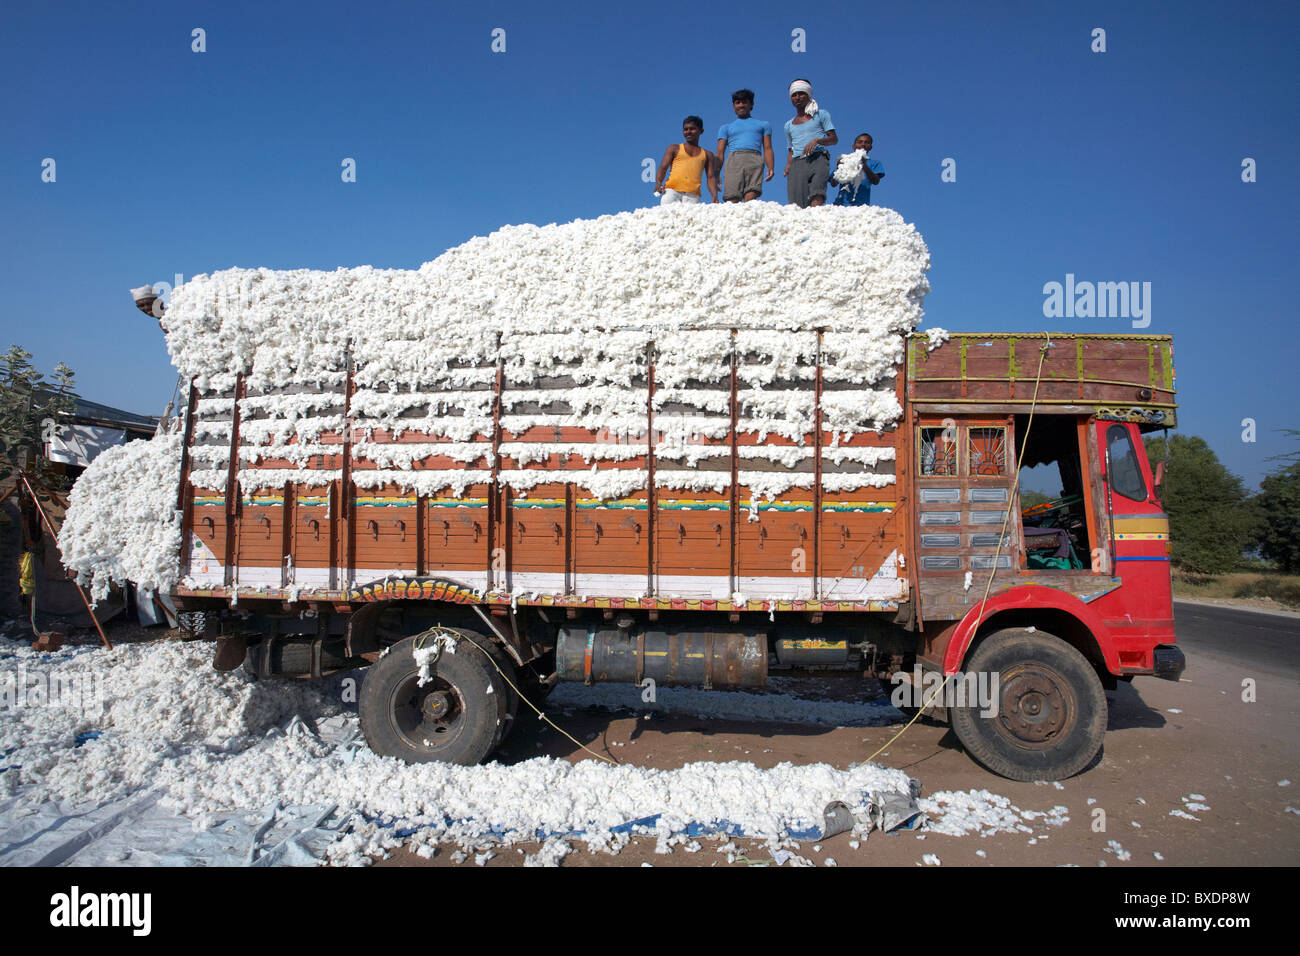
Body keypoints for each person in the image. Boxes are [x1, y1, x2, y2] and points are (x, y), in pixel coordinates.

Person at [782, 79, 837, 207]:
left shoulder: (821, 115)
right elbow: (791, 149)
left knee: (817, 193)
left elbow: (834, 139)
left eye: (801, 93)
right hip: (797, 163)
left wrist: (818, 140)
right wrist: (788, 165)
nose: (797, 98)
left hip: (818, 158)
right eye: (794, 95)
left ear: (808, 95)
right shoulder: (788, 125)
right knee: (797, 204)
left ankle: (816, 223)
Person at [716, 89, 774, 202]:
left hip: (754, 159)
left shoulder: (763, 125)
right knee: (731, 197)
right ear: (733, 106)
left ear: (751, 104)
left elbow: (767, 148)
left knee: (751, 194)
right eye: (737, 102)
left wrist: (770, 167)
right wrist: (716, 171)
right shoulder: (725, 128)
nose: (741, 105)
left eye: (744, 102)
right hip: (734, 160)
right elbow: (720, 151)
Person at [655, 116, 719, 204]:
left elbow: (711, 177)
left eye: (692, 129)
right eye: (685, 129)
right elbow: (663, 167)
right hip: (672, 192)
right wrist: (658, 183)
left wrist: (714, 195)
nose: (688, 132)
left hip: (693, 195)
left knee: (690, 218)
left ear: (701, 131)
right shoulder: (674, 148)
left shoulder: (707, 154)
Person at [831, 133, 886, 206]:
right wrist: (839, 168)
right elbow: (833, 183)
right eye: (860, 142)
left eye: (867, 142)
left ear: (870, 147)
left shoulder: (874, 163)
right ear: (853, 146)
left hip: (860, 206)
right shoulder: (846, 161)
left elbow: (875, 181)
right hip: (841, 205)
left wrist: (864, 165)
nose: (863, 144)